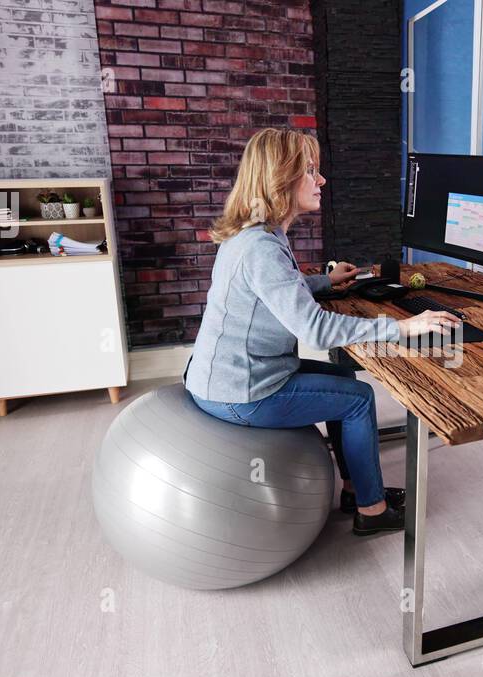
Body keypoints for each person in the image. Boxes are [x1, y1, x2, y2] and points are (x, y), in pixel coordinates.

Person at [184, 128, 459, 535]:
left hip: (225, 378)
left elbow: (273, 293)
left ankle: (356, 489)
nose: (321, 180)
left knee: (344, 375)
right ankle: (372, 511)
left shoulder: (257, 234)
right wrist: (400, 327)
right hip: (241, 394)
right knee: (359, 399)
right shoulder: (261, 248)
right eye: (310, 171)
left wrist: (325, 284)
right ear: (281, 178)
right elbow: (313, 328)